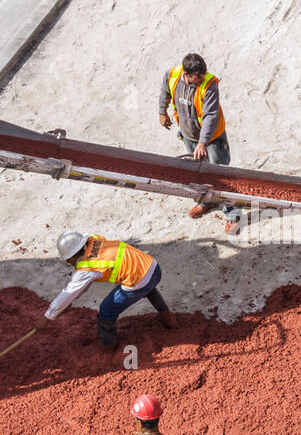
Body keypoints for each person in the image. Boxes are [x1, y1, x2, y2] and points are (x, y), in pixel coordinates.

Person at [36, 231, 176, 350]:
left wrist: (47, 317)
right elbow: (82, 286)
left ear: (73, 256)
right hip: (152, 266)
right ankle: (169, 320)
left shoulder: (87, 267)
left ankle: (108, 347)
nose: (69, 263)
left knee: (107, 309)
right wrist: (71, 301)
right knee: (147, 288)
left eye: (68, 260)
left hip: (140, 279)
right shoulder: (95, 239)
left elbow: (70, 291)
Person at [158, 52, 242, 230]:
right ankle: (207, 202)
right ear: (187, 75)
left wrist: (203, 143)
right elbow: (165, 92)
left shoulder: (209, 85)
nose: (202, 78)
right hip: (189, 135)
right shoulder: (172, 75)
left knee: (221, 175)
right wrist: (162, 112)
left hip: (212, 138)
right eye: (198, 77)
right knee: (198, 173)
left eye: (203, 74)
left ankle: (232, 213)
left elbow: (211, 115)